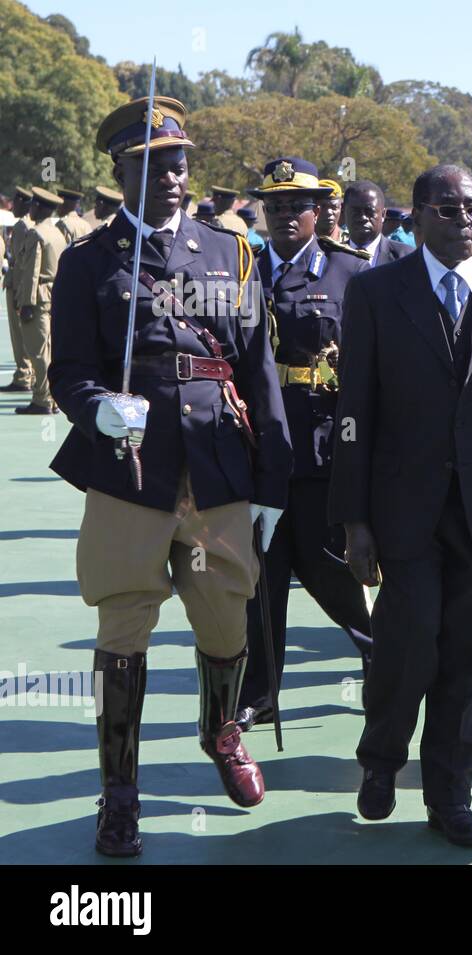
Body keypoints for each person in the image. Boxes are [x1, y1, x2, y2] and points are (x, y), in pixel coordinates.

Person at [47, 95, 291, 857]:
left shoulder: (230, 252)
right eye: (155, 164)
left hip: (216, 462)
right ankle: (119, 794)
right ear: (121, 172)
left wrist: (276, 483)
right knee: (122, 626)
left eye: (181, 161)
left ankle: (222, 732)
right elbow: (68, 371)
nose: (174, 176)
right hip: (130, 471)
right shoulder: (89, 261)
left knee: (225, 618)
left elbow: (257, 371)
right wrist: (95, 410)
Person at [330, 164, 472, 846]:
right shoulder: (374, 292)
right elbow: (354, 412)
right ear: (419, 215)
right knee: (407, 642)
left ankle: (450, 793)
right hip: (402, 510)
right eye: (451, 209)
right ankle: (381, 759)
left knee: (466, 652)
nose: (467, 221)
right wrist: (354, 519)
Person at [235, 157, 374, 731]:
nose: (287, 215)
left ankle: (381, 660)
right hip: (255, 448)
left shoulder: (353, 273)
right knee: (258, 581)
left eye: (298, 205)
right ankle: (259, 692)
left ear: (319, 211)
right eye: (276, 206)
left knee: (335, 570)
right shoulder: (238, 269)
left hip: (322, 446)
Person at [11, 186, 66, 415]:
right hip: (53, 294)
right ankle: (51, 397)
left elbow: (32, 272)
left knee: (37, 351)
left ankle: (43, 399)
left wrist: (26, 303)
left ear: (40, 207)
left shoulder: (37, 233)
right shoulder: (56, 233)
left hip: (38, 296)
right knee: (49, 349)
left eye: (33, 204)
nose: (30, 208)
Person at [1, 186, 34, 393]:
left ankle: (24, 375)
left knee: (20, 335)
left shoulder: (22, 226)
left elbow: (21, 263)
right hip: (22, 285)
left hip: (19, 286)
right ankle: (26, 374)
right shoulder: (26, 225)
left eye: (17, 200)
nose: (13, 203)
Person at [343, 180, 413, 268]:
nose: (362, 218)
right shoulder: (329, 258)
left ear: (383, 214)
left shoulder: (406, 257)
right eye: (355, 211)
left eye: (369, 211)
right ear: (344, 212)